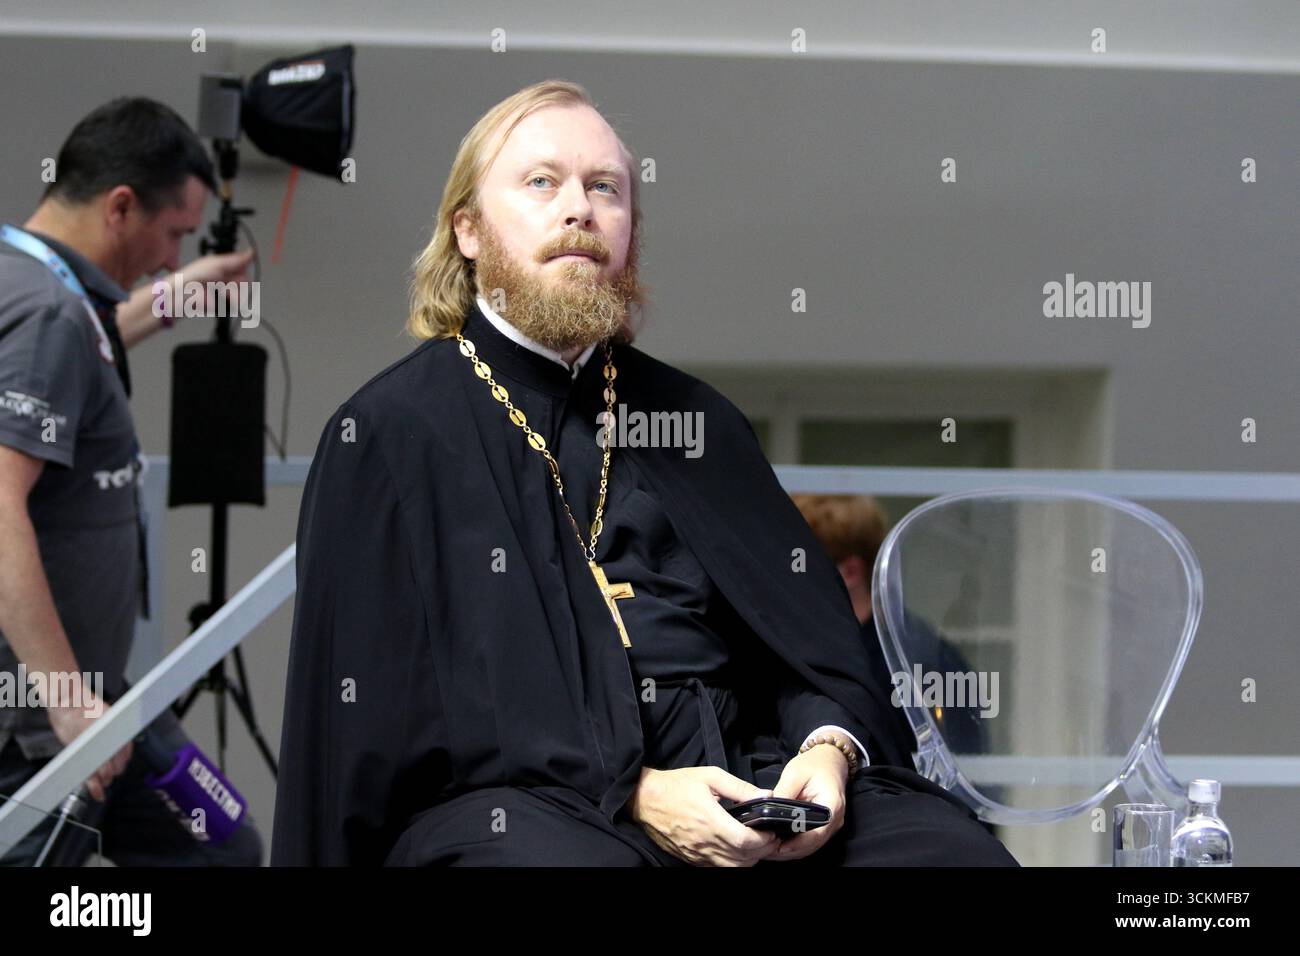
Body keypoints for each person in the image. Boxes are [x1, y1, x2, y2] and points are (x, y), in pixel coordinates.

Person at [272, 79, 1017, 867]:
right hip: (520, 809)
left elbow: (809, 653)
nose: (580, 210)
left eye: (606, 188)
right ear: (467, 231)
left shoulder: (697, 423)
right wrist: (634, 789)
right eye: (541, 182)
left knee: (945, 852)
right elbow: (381, 731)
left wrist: (824, 753)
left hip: (745, 778)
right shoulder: (390, 434)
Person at [0, 97, 260, 865]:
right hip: (49, 722)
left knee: (222, 848)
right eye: (174, 234)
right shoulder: (47, 313)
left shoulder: (34, 287)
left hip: (97, 699)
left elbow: (94, 338)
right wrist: (67, 701)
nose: (172, 259)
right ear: (121, 206)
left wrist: (193, 290)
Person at [792, 494, 991, 761]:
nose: (788, 578)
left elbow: (967, 768)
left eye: (800, 564)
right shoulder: (806, 647)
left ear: (850, 572)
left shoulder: (920, 661)